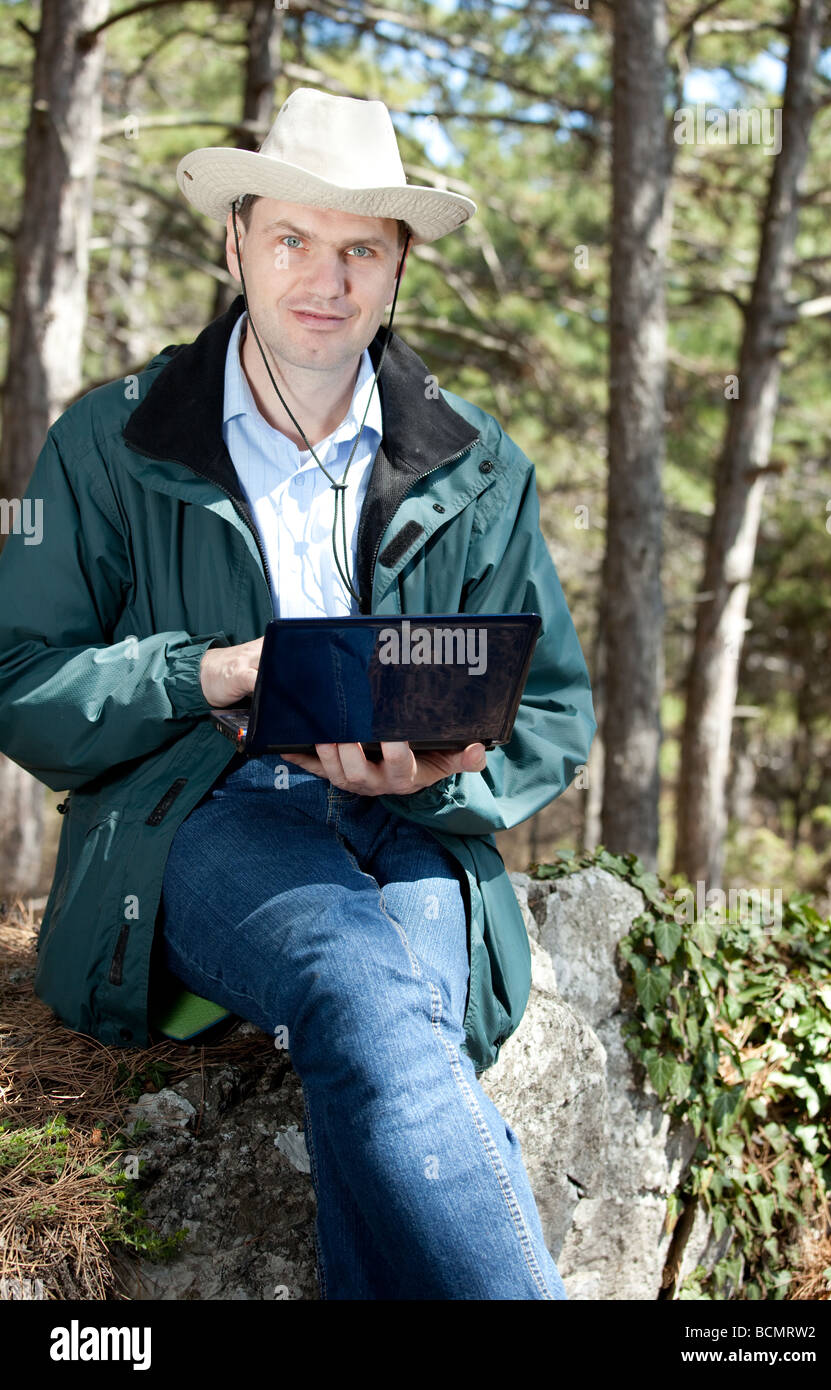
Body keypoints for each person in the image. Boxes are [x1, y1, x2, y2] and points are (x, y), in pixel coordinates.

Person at [0, 87, 596, 1299]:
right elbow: (22, 684)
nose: (323, 280)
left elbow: (553, 715)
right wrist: (211, 669)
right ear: (233, 242)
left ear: (396, 266)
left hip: (409, 821)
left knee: (398, 1016)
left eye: (357, 249)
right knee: (355, 976)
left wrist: (444, 772)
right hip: (204, 815)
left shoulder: (479, 466)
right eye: (290, 240)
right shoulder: (109, 441)